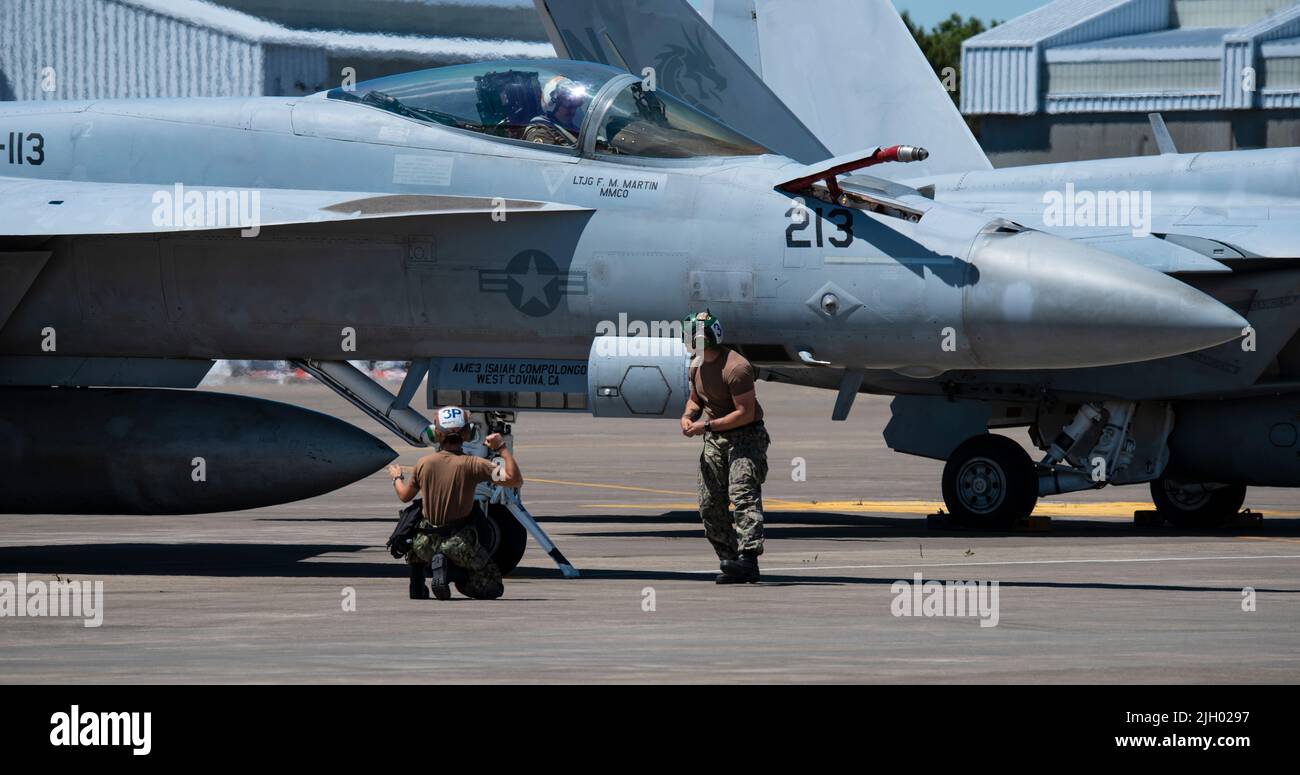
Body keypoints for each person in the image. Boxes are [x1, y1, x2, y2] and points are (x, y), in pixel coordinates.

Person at [388, 406, 522, 600]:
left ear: (436, 434)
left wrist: (396, 477)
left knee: (416, 520)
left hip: (423, 545)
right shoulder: (474, 464)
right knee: (493, 587)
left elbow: (404, 496)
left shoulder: (424, 463)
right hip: (458, 543)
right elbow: (514, 479)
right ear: (467, 434)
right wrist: (501, 448)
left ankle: (417, 582)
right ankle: (450, 572)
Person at [680, 310, 771, 584]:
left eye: (697, 336)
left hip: (745, 436)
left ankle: (749, 559)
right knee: (709, 504)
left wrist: (705, 427)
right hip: (716, 438)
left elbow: (745, 412)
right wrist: (688, 416)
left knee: (742, 494)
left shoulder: (736, 367)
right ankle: (730, 559)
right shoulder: (696, 364)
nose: (693, 341)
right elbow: (696, 399)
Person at [524, 75, 589, 147]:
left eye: (576, 105)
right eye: (567, 105)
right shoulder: (541, 134)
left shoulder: (574, 131)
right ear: (552, 105)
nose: (572, 110)